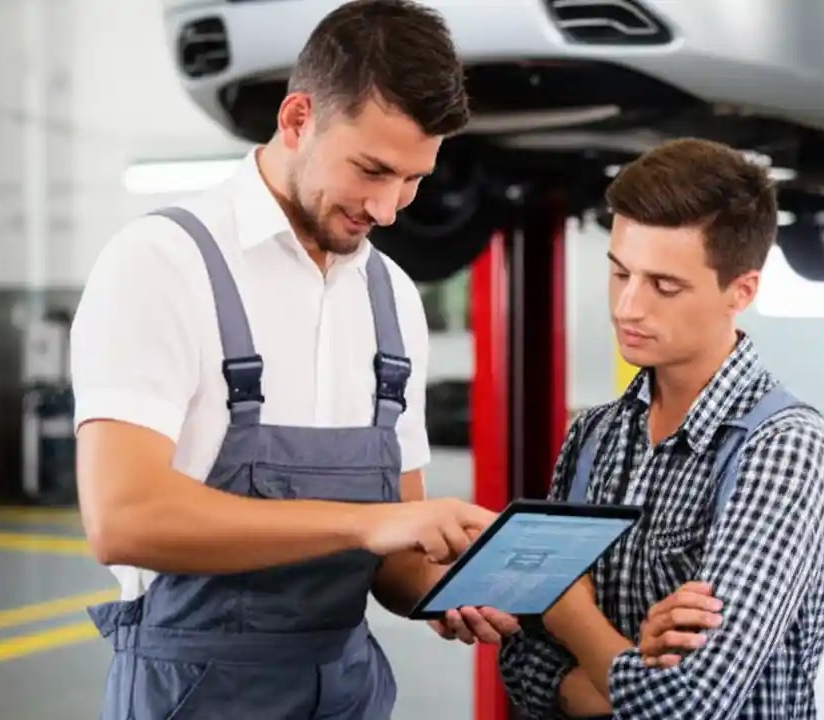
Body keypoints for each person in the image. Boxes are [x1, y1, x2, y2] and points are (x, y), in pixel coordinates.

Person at [70, 2, 514, 718]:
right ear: (297, 119)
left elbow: (394, 561)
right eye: (372, 169)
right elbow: (123, 519)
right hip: (196, 693)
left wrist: (446, 586)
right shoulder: (161, 263)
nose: (391, 207)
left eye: (413, 179)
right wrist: (362, 524)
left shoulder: (391, 298)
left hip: (347, 691)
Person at [497, 138, 824, 719]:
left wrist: (568, 610)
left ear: (742, 291)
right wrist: (630, 667)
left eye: (664, 286)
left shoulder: (786, 450)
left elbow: (688, 704)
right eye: (619, 274)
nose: (628, 307)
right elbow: (519, 665)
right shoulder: (594, 438)